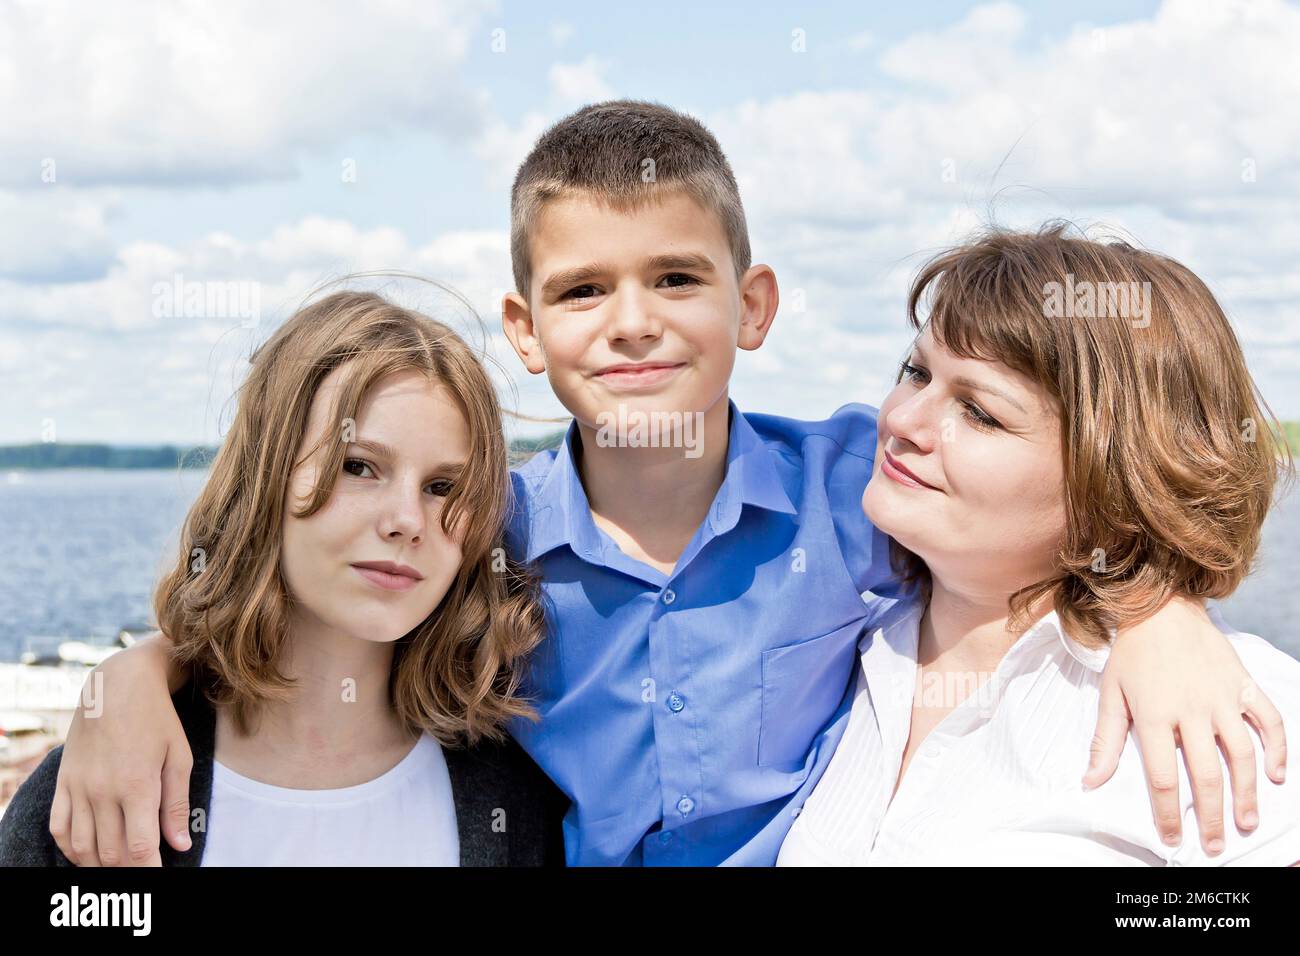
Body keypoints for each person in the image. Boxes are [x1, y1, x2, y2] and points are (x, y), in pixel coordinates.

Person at [46, 103, 1287, 867]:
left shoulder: (856, 487)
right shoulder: (486, 523)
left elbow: (1071, 498)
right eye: (586, 291)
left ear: (754, 306)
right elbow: (309, 594)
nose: (632, 325)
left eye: (678, 281)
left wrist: (1156, 607)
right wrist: (138, 672)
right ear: (526, 332)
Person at [778, 225, 1300, 865]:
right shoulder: (832, 644)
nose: (902, 421)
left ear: (1116, 478)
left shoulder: (1236, 712)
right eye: (917, 372)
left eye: (980, 413)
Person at [0, 289, 567, 866]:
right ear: (265, 479)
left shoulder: (518, 799)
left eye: (443, 487)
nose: (406, 521)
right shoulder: (104, 790)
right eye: (358, 467)